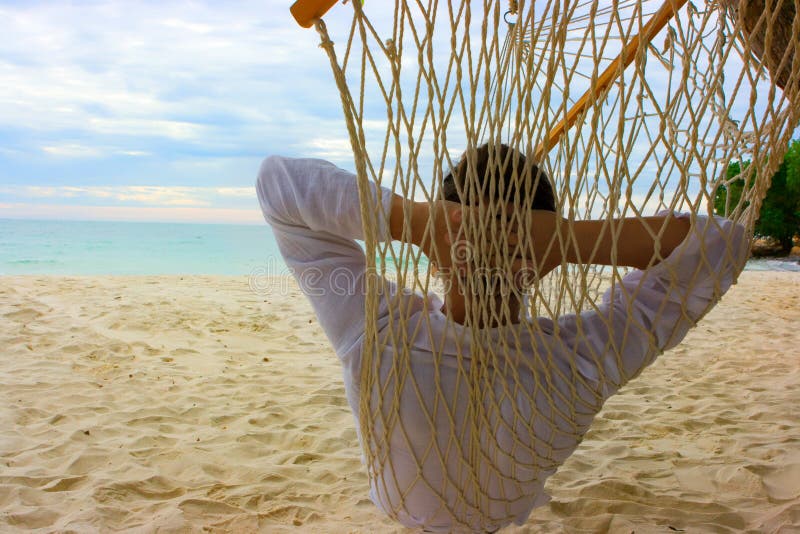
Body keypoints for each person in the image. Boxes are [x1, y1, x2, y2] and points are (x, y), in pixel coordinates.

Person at [255, 144, 749, 532]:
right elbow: (725, 246)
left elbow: (277, 185)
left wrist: (414, 221)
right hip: (503, 507)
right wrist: (569, 241)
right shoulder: (583, 359)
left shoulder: (377, 331)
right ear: (541, 257)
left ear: (439, 244)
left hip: (401, 507)